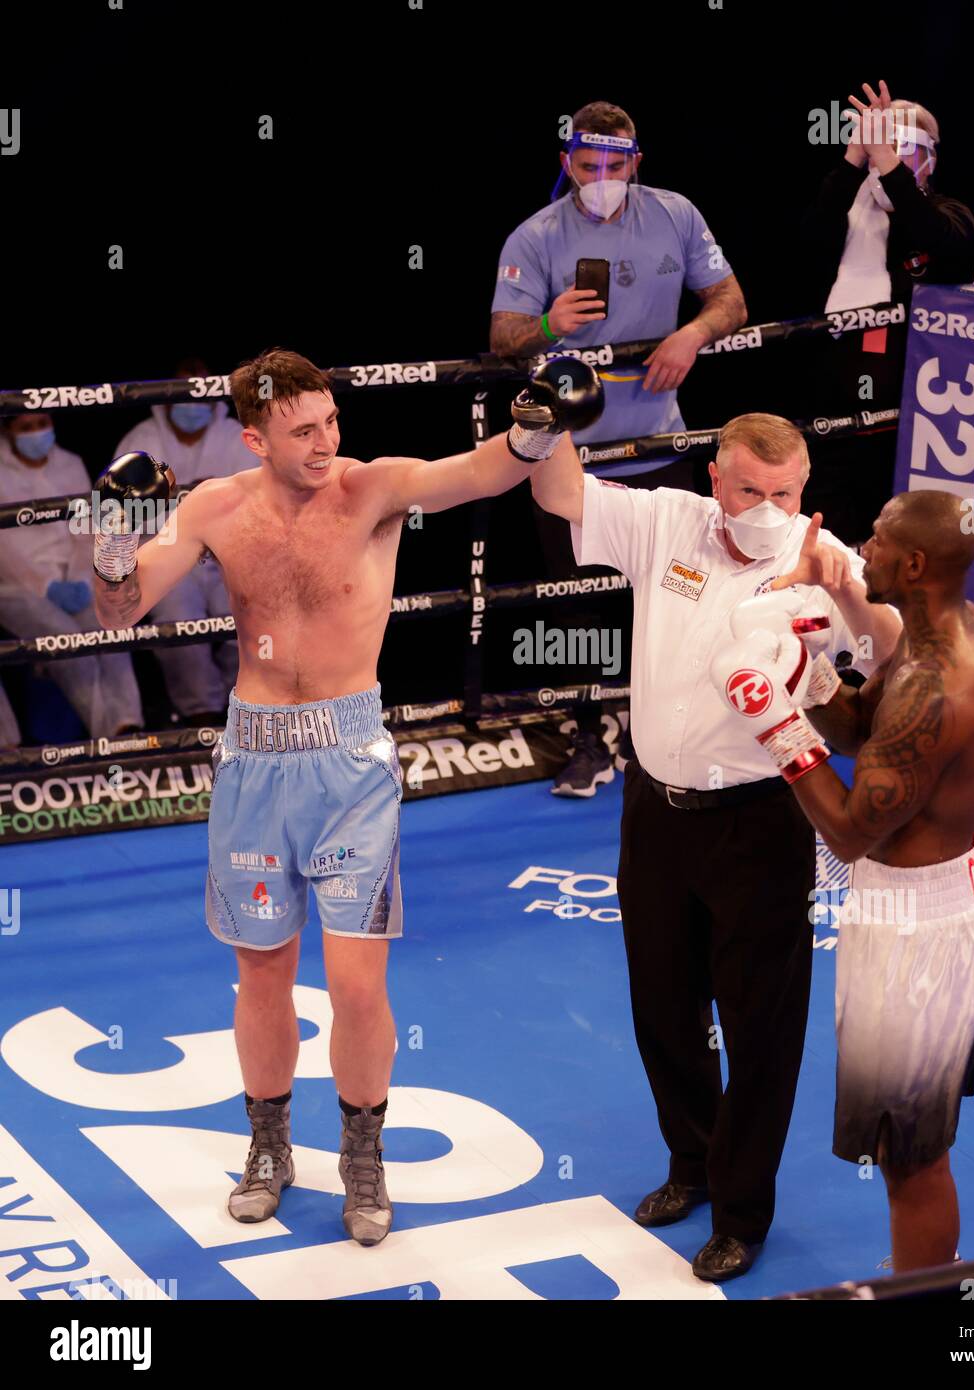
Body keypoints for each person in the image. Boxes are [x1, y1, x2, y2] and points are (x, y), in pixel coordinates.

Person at [92, 347, 602, 1245]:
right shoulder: (215, 507)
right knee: (262, 974)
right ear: (252, 437)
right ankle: (267, 1148)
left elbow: (478, 471)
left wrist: (534, 422)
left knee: (359, 985)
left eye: (330, 421)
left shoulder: (371, 489)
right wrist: (108, 529)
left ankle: (362, 1159)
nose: (326, 441)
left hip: (348, 762)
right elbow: (117, 610)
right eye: (302, 431)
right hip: (252, 764)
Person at [530, 411, 901, 1281]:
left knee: (759, 1022)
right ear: (715, 480)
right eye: (749, 490)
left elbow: (893, 649)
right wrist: (547, 413)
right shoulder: (668, 521)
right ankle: (689, 1163)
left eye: (784, 492)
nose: (767, 507)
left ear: (802, 490)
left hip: (761, 817)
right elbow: (558, 492)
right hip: (654, 811)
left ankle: (742, 1210)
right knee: (663, 1002)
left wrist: (841, 594)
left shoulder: (825, 558)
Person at [711, 489, 974, 1273]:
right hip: (939, 901)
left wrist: (775, 726)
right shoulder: (933, 639)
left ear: (913, 564)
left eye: (876, 540)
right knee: (910, 1144)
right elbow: (863, 730)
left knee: (909, 1155)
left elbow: (847, 832)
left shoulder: (936, 682)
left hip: (921, 932)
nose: (862, 549)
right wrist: (806, 680)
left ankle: (922, 1300)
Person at [492, 99, 747, 796]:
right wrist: (548, 323)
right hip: (568, 459)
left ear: (635, 161)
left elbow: (729, 299)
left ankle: (664, 738)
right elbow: (504, 341)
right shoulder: (534, 236)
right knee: (578, 608)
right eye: (586, 164)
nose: (600, 175)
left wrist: (692, 334)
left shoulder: (676, 214)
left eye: (614, 163)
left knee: (675, 598)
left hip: (660, 447)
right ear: (564, 163)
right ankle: (587, 739)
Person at [799, 81, 974, 543]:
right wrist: (853, 158)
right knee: (827, 536)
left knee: (901, 540)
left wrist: (888, 163)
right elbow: (804, 247)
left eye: (903, 149)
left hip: (911, 411)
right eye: (882, 145)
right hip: (829, 403)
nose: (887, 157)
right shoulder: (842, 208)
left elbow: (940, 240)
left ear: (931, 159)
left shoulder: (947, 213)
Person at [113, 357, 253, 727]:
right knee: (177, 620)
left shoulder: (235, 435)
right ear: (169, 395)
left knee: (252, 613)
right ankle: (200, 716)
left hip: (229, 552)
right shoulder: (141, 440)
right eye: (184, 390)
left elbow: (259, 498)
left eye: (199, 390)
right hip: (166, 551)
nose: (192, 401)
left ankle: (245, 706)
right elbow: (120, 509)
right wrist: (185, 503)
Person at [0, 411, 143, 738]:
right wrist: (45, 586)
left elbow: (86, 529)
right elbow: (3, 547)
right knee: (65, 638)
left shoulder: (71, 462)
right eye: (26, 427)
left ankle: (129, 726)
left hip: (75, 580)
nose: (36, 433)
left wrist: (81, 578)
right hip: (16, 588)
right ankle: (109, 735)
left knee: (110, 625)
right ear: (8, 431)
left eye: (41, 424)